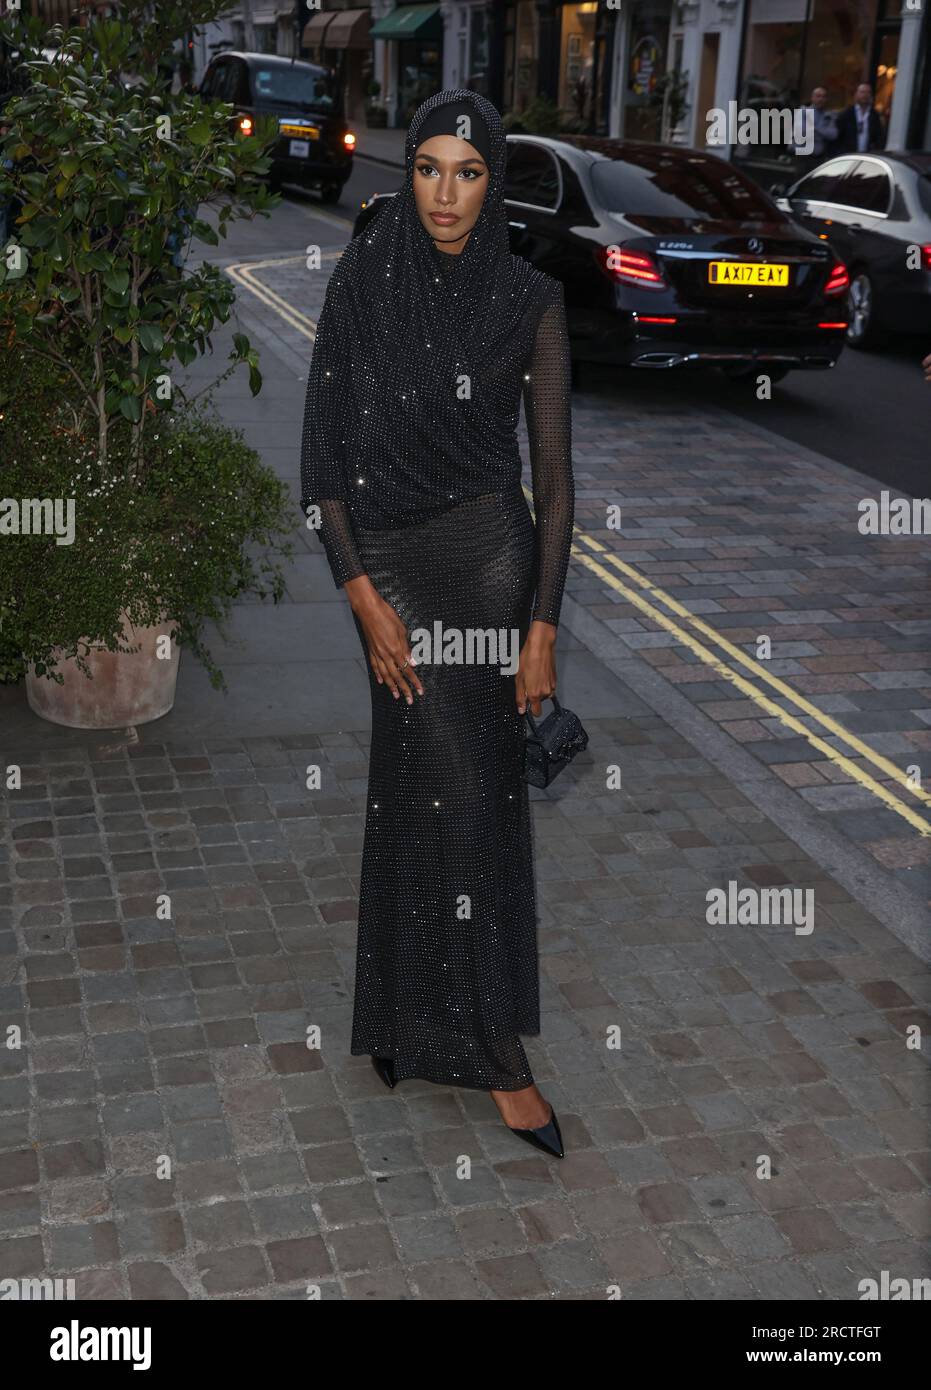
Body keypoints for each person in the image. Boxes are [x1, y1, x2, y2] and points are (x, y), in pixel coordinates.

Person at [299, 89, 575, 1158]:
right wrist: (359, 590)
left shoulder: (528, 299)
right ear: (402, 170)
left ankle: (496, 1052)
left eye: (467, 172)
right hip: (393, 576)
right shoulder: (362, 281)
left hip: (490, 568)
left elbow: (554, 486)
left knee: (474, 804)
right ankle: (407, 1023)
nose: (446, 193)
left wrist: (541, 626)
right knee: (411, 794)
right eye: (427, 168)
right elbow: (323, 458)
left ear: (491, 179)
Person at [834, 82, 884, 154]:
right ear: (856, 94)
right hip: (848, 155)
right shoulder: (847, 113)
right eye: (862, 92)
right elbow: (838, 136)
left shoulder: (875, 115)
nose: (865, 95)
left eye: (868, 92)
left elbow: (879, 137)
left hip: (867, 156)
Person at [796, 86, 838, 169]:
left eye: (824, 96)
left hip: (821, 159)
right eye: (818, 96)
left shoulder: (830, 115)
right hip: (803, 157)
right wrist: (824, 132)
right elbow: (802, 132)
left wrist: (814, 128)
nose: (821, 99)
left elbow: (833, 135)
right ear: (812, 98)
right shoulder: (803, 111)